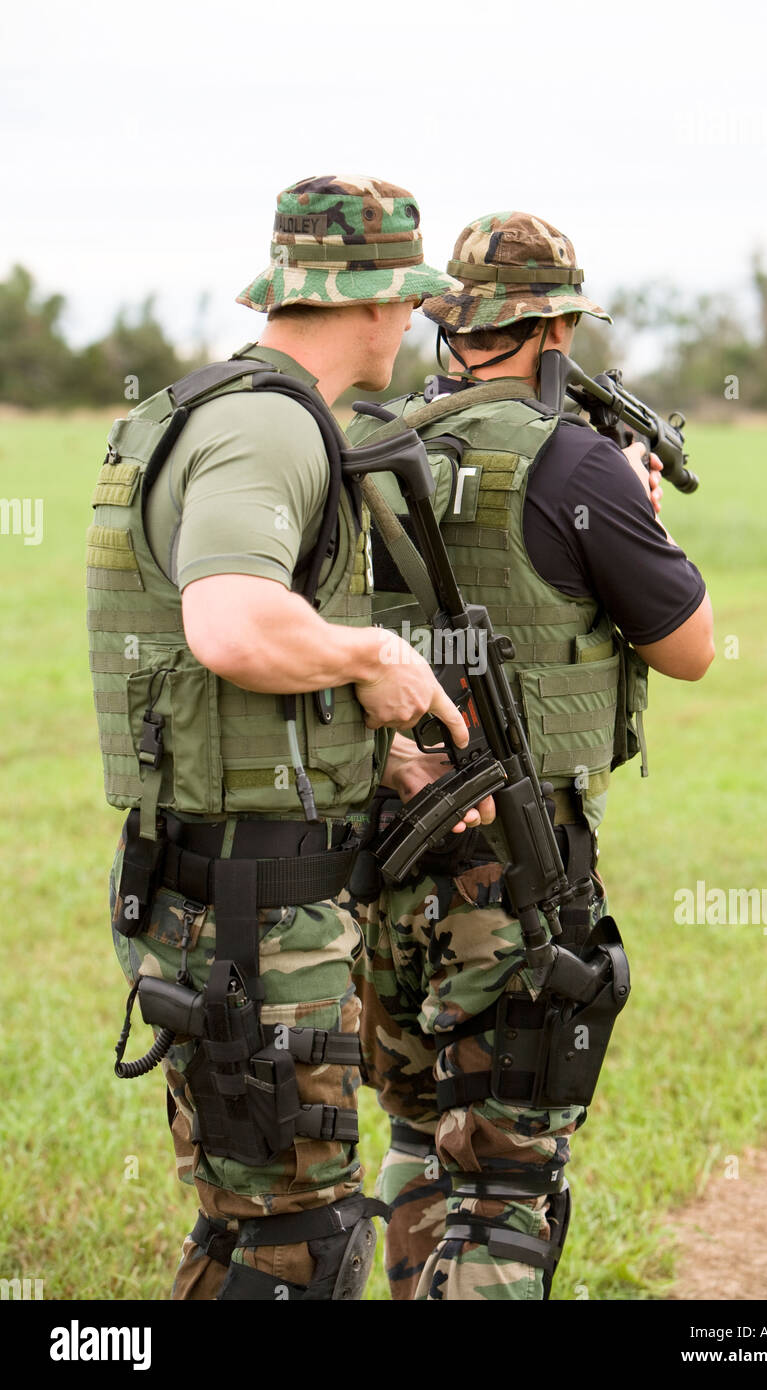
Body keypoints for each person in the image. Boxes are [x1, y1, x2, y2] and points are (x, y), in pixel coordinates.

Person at [88, 174, 476, 1302]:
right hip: (249, 905)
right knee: (298, 1242)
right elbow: (228, 622)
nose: (409, 325)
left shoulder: (226, 407)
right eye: (405, 302)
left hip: (230, 880)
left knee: (257, 1224)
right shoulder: (266, 423)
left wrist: (380, 752)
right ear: (369, 302)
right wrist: (375, 657)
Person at [345, 210, 715, 1300]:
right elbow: (687, 647)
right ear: (555, 331)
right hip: (510, 859)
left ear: (451, 325)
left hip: (379, 847)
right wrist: (632, 510)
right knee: (506, 1177)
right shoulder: (576, 464)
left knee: (418, 1129)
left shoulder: (376, 443)